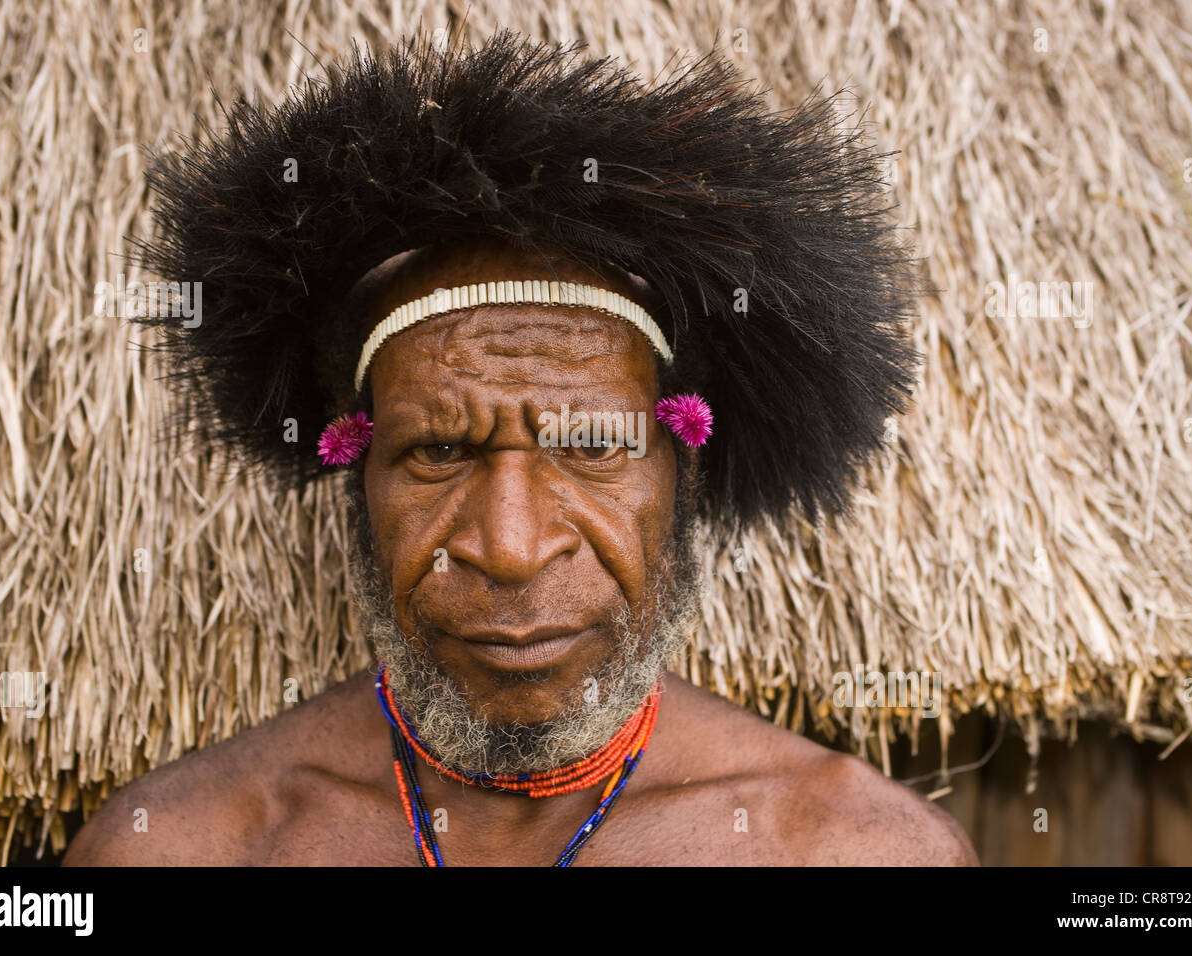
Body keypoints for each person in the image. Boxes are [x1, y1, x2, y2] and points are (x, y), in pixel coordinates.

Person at [65, 30, 975, 866]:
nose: (510, 547)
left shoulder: (851, 852)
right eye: (439, 452)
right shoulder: (187, 850)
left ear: (682, 472)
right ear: (358, 478)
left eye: (590, 447)